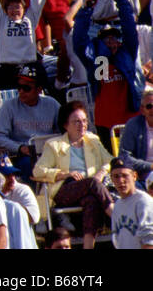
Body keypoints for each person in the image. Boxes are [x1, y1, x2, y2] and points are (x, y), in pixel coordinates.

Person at [32, 101, 114, 249]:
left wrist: (102, 172)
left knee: (91, 200)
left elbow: (110, 160)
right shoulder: (53, 145)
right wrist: (63, 174)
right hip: (64, 191)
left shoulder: (93, 140)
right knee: (92, 183)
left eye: (84, 121)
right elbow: (38, 170)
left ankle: (88, 246)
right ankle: (116, 215)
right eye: (76, 121)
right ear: (65, 125)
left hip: (90, 189)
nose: (82, 125)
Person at [110, 154, 153, 249]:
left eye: (125, 175)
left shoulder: (143, 202)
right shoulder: (117, 205)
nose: (121, 180)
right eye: (116, 176)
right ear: (111, 179)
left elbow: (150, 241)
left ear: (134, 176)